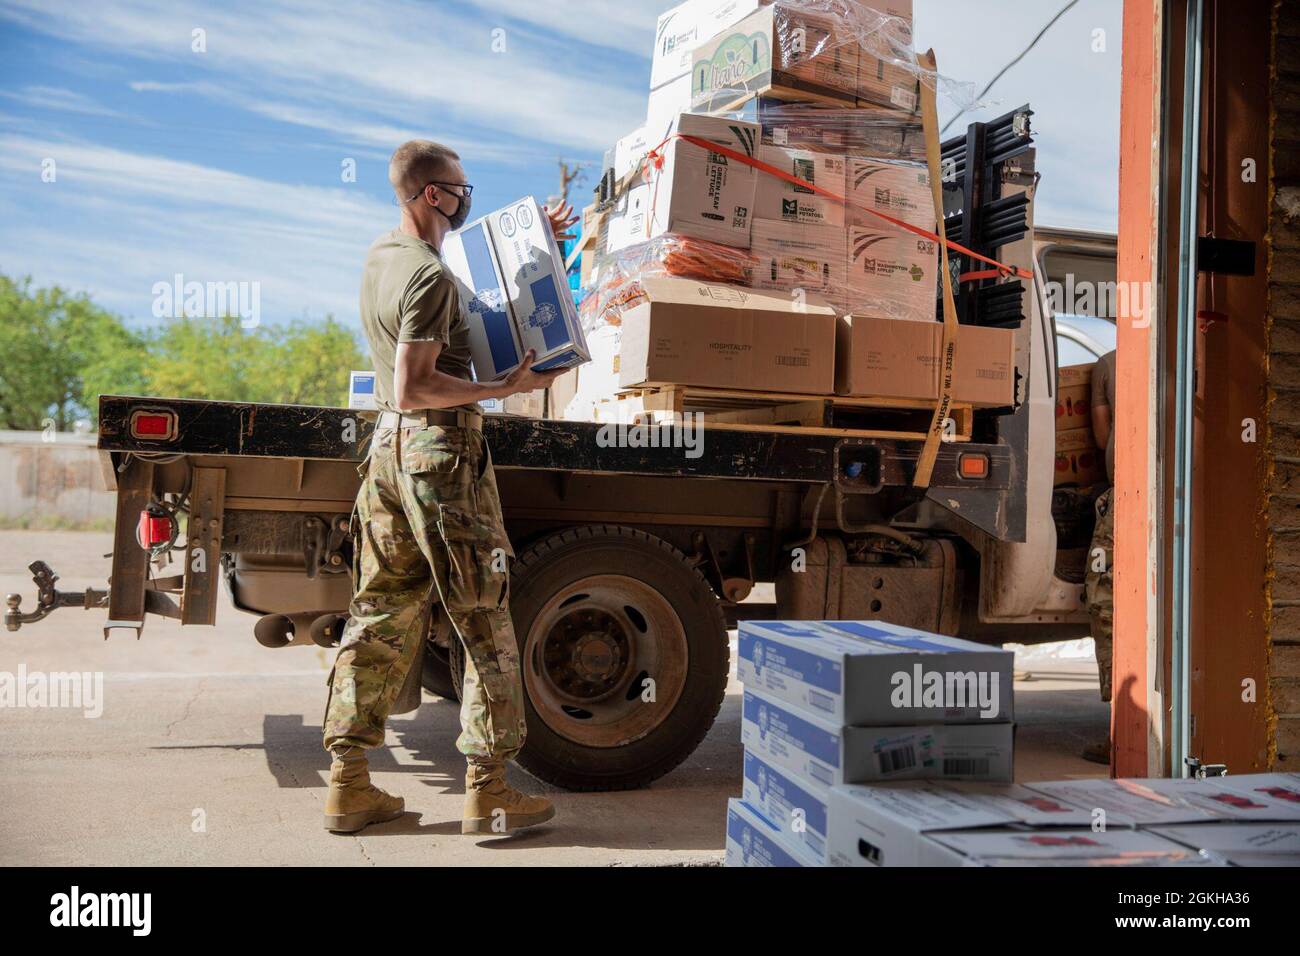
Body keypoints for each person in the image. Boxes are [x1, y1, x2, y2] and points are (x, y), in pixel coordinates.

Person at [321, 139, 575, 834]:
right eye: (461, 187)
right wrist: (505, 386)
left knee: (380, 612)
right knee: (483, 614)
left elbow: (464, 277)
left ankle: (347, 783)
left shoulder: (385, 257)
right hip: (440, 451)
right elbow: (416, 383)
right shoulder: (429, 278)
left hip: (388, 453)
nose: (468, 196)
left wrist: (537, 243)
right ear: (433, 194)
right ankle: (489, 790)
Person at [1083, 348, 1116, 764]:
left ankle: (1120, 731)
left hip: (1125, 495)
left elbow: (1103, 435)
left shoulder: (1108, 364)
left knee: (1105, 600)